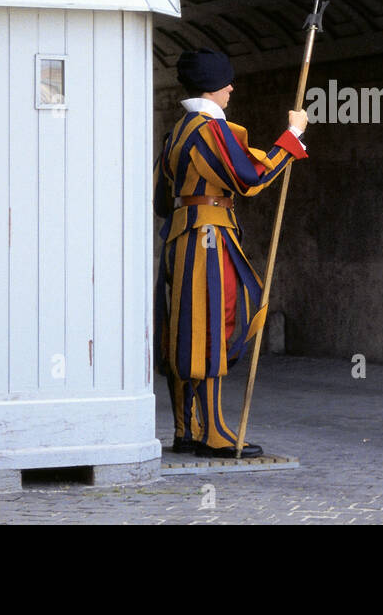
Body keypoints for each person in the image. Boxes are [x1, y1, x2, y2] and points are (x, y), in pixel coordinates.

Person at [153, 48, 308, 458]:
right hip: (208, 236)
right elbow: (249, 178)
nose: (232, 89)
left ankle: (187, 428)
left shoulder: (177, 132)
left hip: (180, 238)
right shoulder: (207, 128)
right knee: (212, 328)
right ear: (214, 87)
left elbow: (159, 199)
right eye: (226, 83)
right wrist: (292, 138)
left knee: (184, 331)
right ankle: (214, 432)